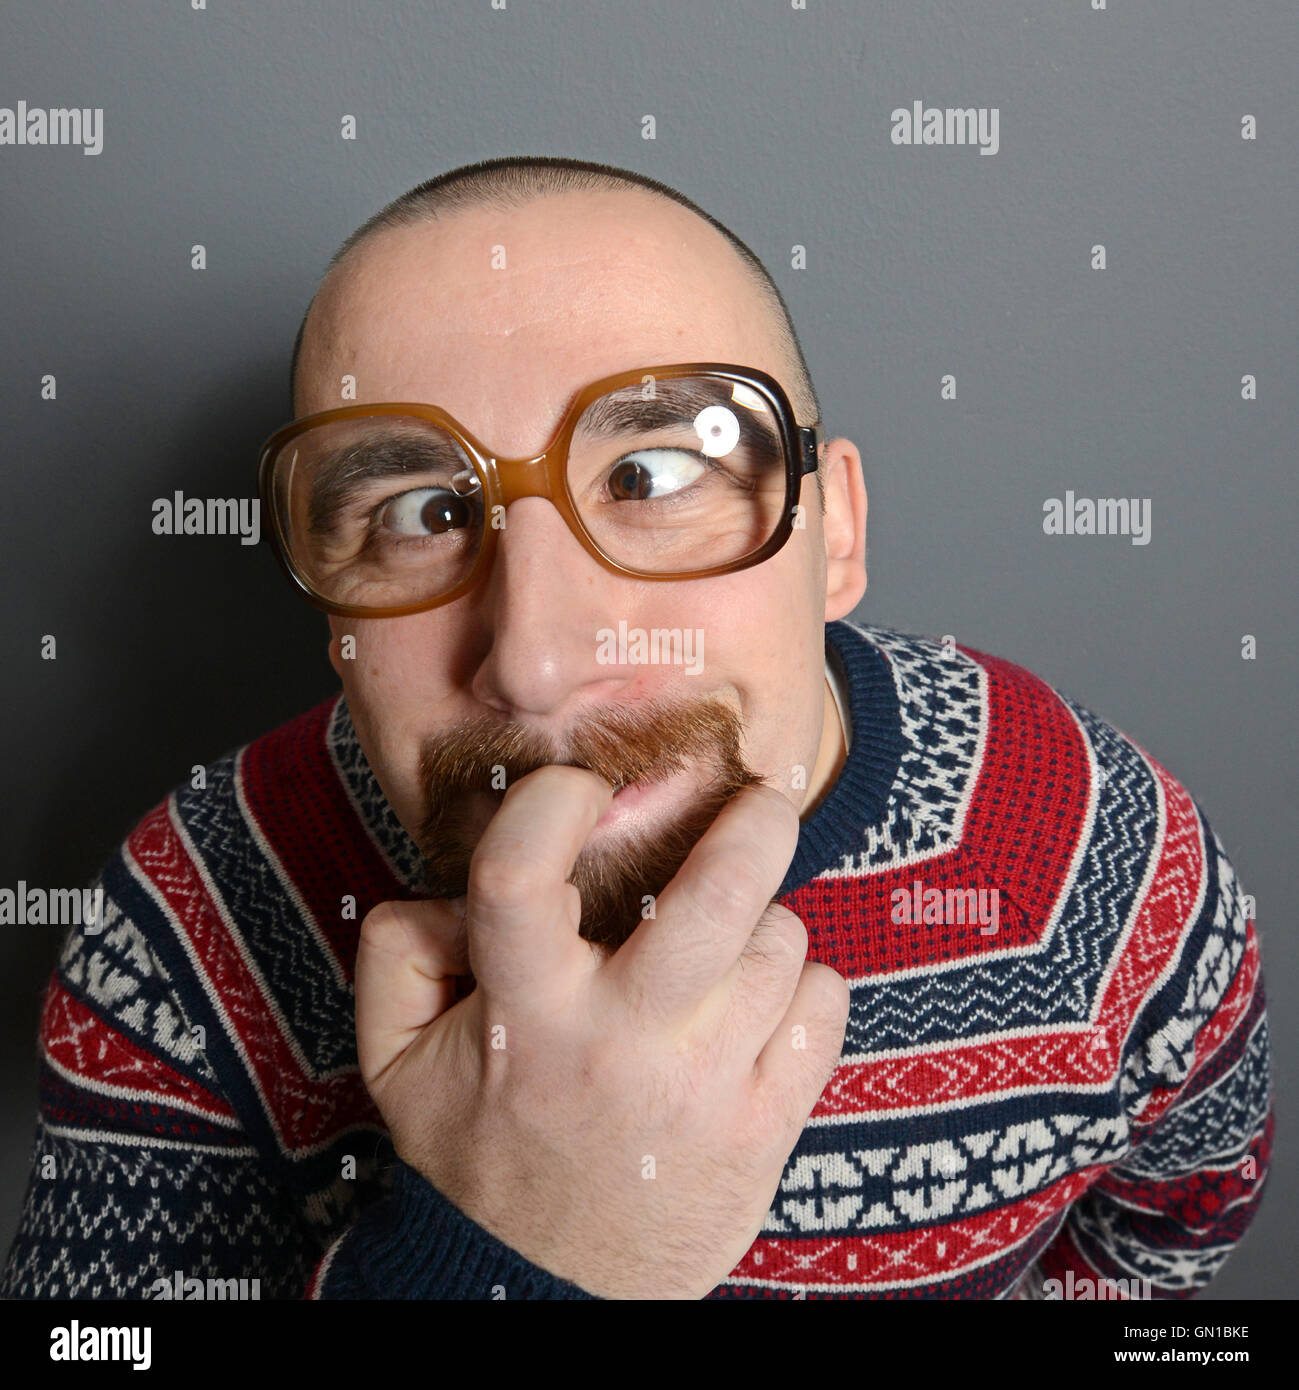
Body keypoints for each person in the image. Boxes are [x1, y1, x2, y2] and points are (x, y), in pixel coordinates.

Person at [2, 156, 1272, 1300]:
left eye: (653, 475)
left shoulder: (1102, 853)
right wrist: (502, 1253)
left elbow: (1165, 1242)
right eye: (422, 513)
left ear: (834, 535)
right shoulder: (193, 918)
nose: (539, 664)